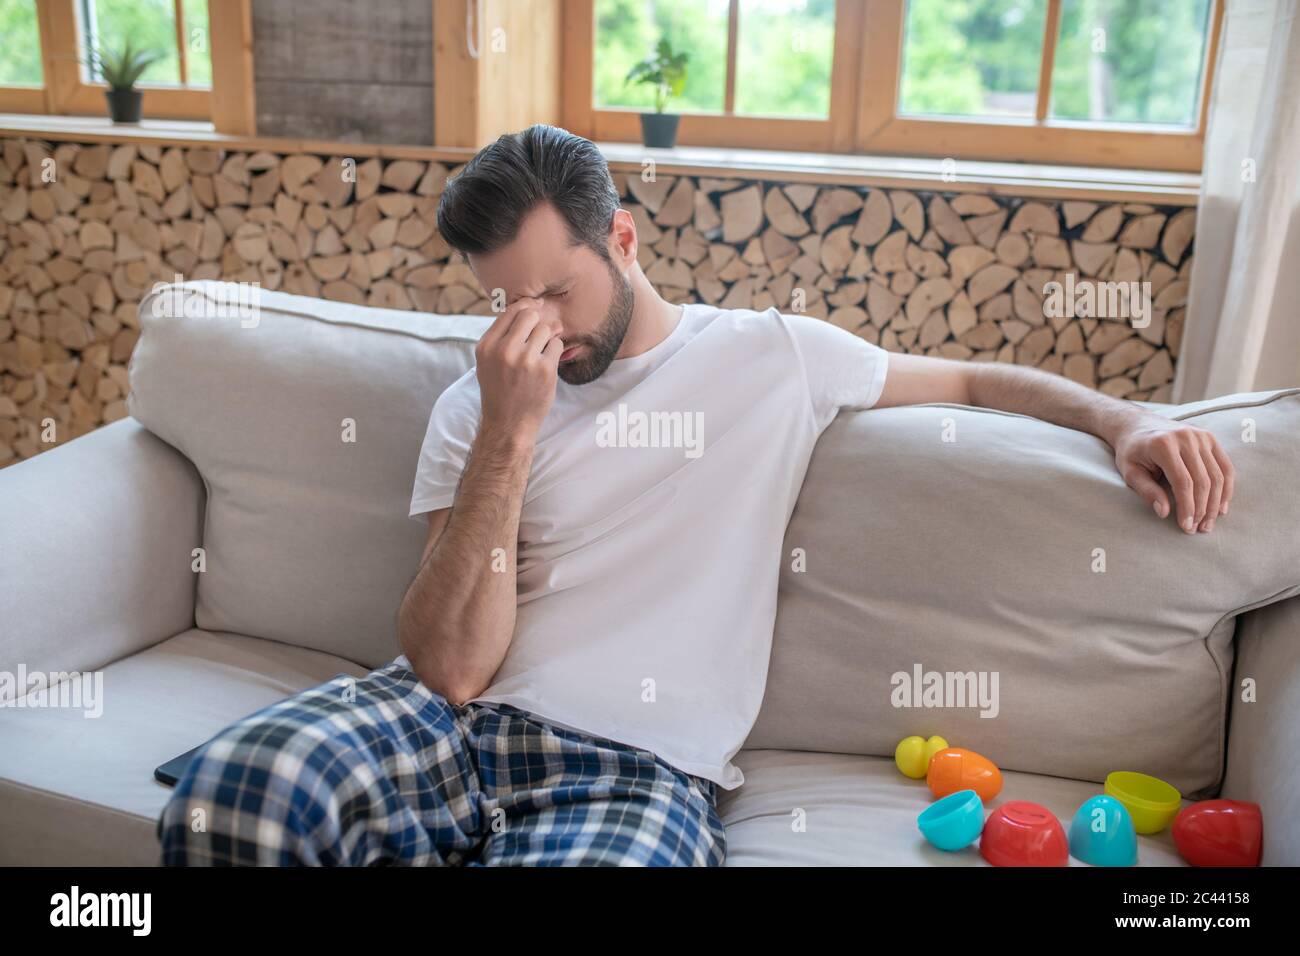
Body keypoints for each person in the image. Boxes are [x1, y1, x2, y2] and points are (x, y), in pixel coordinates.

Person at [158, 124, 1235, 866]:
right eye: (504, 299)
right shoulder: (476, 406)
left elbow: (967, 380)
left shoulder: (774, 358)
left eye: (555, 290)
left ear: (624, 240)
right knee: (240, 792)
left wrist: (1125, 418)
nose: (535, 325)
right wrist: (511, 432)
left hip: (635, 767)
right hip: (446, 720)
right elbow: (449, 664)